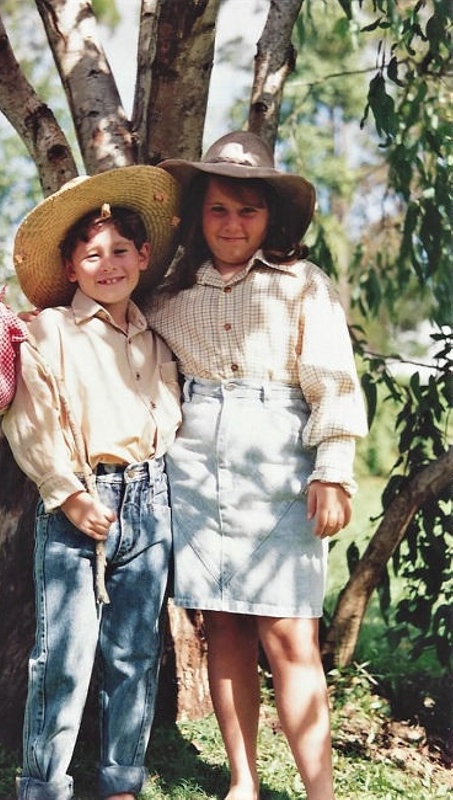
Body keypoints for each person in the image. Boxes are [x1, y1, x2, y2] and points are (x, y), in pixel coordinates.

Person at [145, 131, 368, 800]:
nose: (233, 224)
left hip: (279, 467)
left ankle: (319, 791)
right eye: (218, 209)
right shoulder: (171, 295)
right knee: (224, 628)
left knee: (290, 633)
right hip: (198, 467)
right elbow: (113, 319)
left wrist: (332, 469)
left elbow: (332, 380)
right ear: (197, 215)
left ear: (271, 216)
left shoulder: (301, 286)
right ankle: (242, 780)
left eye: (247, 209)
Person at [1, 165, 182, 800]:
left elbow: (167, 413)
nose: (109, 265)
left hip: (150, 501)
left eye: (121, 252)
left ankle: (122, 780)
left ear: (143, 256)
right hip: (79, 499)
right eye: (92, 254)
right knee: (64, 659)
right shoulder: (47, 330)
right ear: (72, 266)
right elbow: (30, 418)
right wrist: (68, 491)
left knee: (134, 653)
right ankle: (44, 785)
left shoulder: (153, 334)